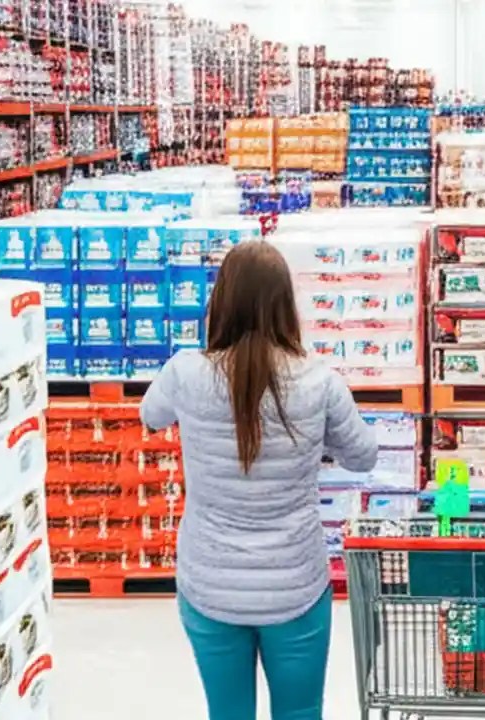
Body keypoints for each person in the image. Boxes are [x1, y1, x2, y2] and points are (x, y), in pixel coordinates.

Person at [139, 241, 378, 720]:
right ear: (286, 305)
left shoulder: (185, 372)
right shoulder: (319, 382)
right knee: (300, 711)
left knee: (227, 713)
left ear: (220, 303)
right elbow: (365, 456)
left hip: (210, 584)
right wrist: (318, 443)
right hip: (295, 584)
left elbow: (150, 415)